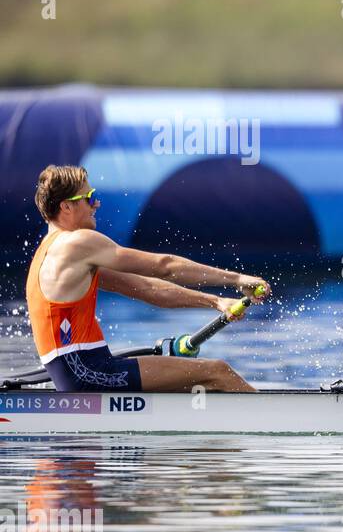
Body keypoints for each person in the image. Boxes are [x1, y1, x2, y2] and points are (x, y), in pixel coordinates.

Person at [26, 165, 269, 393]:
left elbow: (147, 288)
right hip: (89, 373)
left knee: (201, 383)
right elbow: (164, 267)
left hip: (79, 373)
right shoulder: (77, 243)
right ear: (66, 207)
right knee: (218, 372)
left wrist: (216, 302)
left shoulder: (49, 252)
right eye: (89, 197)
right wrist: (237, 278)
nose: (96, 203)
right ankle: (273, 422)